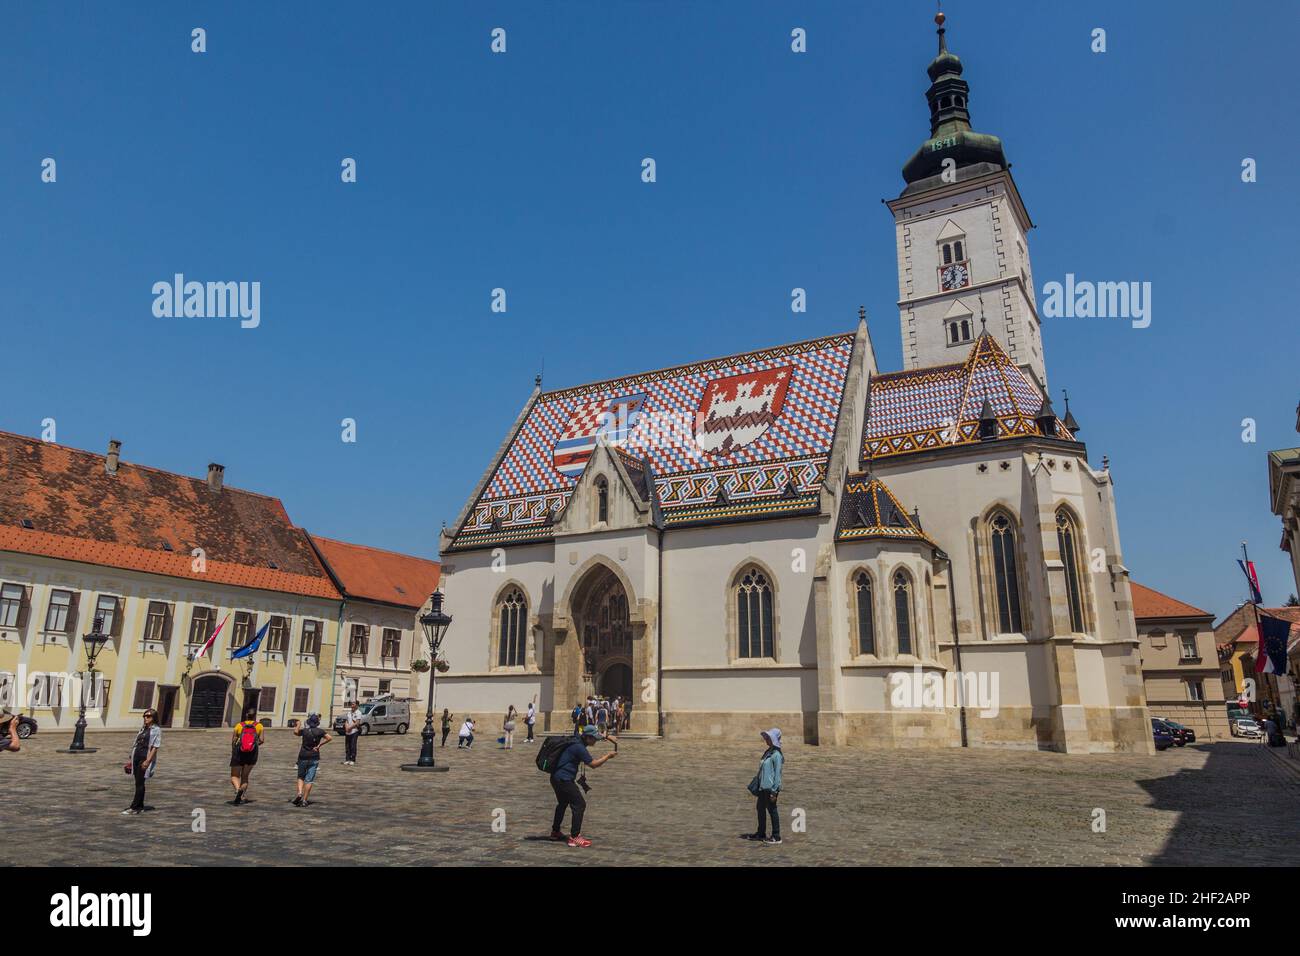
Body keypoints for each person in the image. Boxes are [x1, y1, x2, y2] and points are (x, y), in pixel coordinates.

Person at [548, 724, 616, 847]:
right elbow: (593, 764)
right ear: (587, 738)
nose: (596, 741)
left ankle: (555, 831)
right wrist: (608, 756)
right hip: (564, 779)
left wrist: (607, 736)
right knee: (579, 804)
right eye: (594, 738)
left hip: (555, 778)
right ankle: (574, 837)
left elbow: (596, 736)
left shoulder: (576, 739)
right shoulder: (579, 747)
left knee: (563, 803)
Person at [743, 728, 783, 845]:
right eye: (766, 737)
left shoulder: (777, 755)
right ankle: (761, 833)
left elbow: (777, 775)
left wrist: (774, 791)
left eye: (769, 738)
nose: (766, 739)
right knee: (760, 808)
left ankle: (776, 835)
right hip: (762, 787)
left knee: (772, 810)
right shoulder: (768, 752)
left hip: (770, 788)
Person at [122, 708, 161, 815]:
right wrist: (131, 757)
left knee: (140, 782)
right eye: (144, 716)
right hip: (136, 756)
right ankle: (140, 806)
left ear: (153, 718)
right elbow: (137, 743)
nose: (145, 718)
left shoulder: (156, 729)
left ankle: (134, 807)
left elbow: (155, 747)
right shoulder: (143, 729)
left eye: (148, 716)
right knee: (139, 783)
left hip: (144, 758)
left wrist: (148, 761)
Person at [292, 713, 332, 806]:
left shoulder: (305, 731)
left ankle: (299, 793)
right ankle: (305, 800)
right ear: (317, 723)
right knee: (309, 780)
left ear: (309, 722)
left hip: (303, 756)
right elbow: (330, 738)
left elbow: (295, 732)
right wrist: (319, 745)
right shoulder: (320, 731)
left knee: (301, 776)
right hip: (314, 756)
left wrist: (298, 724)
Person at [229, 707, 264, 805]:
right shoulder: (259, 726)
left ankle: (237, 790)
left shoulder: (239, 725)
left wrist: (233, 750)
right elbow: (261, 740)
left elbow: (234, 740)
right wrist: (253, 745)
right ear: (254, 716)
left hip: (239, 752)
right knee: (244, 776)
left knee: (234, 775)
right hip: (252, 753)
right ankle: (242, 795)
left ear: (246, 715)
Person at [343, 699, 361, 765]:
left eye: (353, 704)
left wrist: (350, 728)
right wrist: (346, 727)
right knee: (347, 746)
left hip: (354, 731)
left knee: (353, 745)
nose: (352, 705)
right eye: (351, 704)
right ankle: (347, 759)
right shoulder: (349, 713)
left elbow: (357, 723)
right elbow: (346, 721)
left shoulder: (358, 713)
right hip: (348, 731)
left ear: (357, 705)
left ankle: (352, 759)